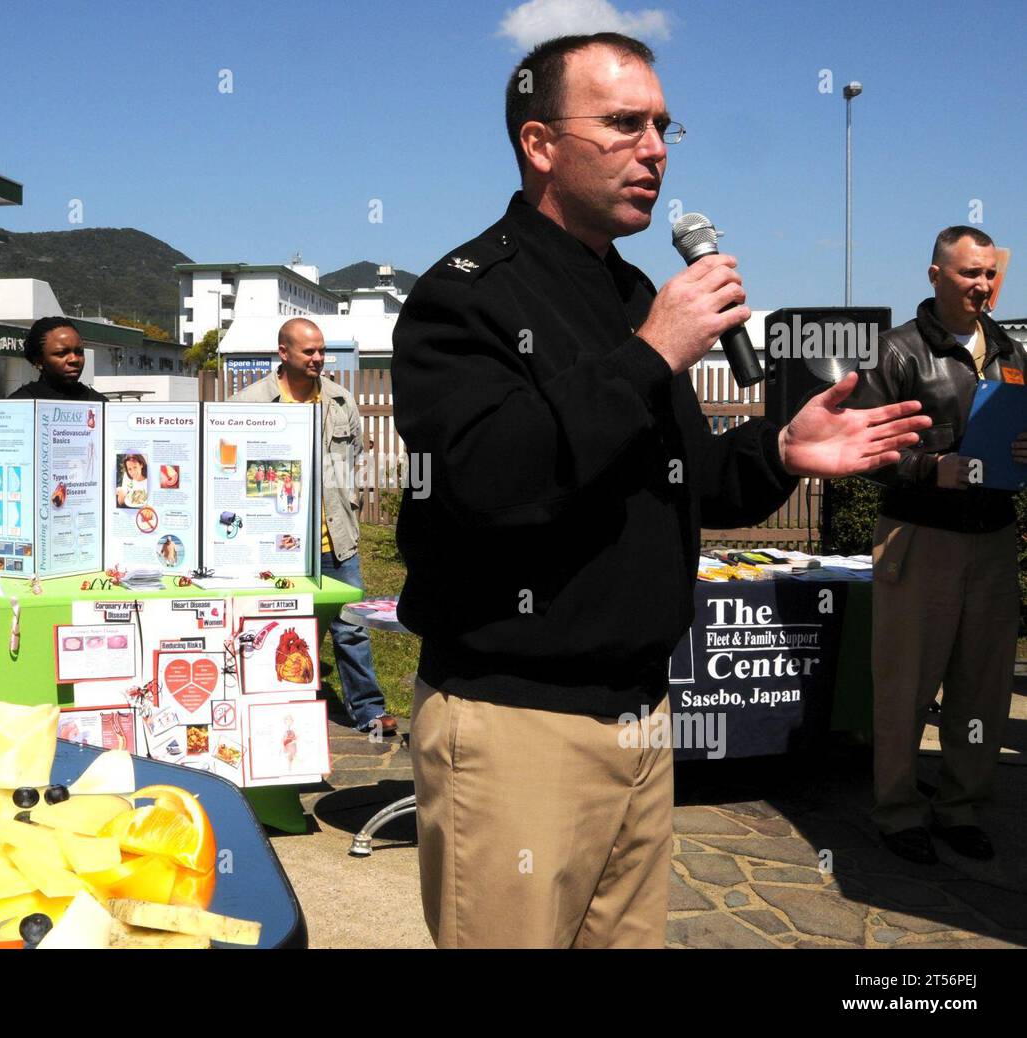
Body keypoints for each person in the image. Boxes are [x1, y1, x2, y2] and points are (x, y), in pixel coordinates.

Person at [391, 32, 930, 949]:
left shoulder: (631, 289)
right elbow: (490, 479)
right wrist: (651, 351)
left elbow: (687, 474)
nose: (656, 149)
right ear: (539, 143)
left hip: (646, 721)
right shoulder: (466, 297)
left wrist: (782, 452)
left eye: (663, 125)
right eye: (623, 123)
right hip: (518, 727)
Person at [849, 226, 1027, 864]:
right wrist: (929, 466)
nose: (981, 285)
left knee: (982, 684)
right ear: (934, 276)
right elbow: (865, 450)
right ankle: (898, 812)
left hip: (993, 537)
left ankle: (958, 806)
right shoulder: (895, 352)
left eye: (988, 274)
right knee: (906, 683)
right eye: (967, 274)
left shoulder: (1011, 348)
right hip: (920, 538)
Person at [233, 318, 398, 736]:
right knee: (275, 627)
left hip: (336, 538)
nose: (319, 358)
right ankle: (273, 712)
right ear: (283, 353)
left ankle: (368, 710)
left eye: (322, 350)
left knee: (352, 628)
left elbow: (357, 458)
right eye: (309, 351)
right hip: (277, 547)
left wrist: (352, 502)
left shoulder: (341, 400)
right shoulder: (249, 404)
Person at [8, 317, 108, 402]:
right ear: (38, 361)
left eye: (79, 352)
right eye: (61, 353)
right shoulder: (19, 405)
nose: (74, 359)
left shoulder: (100, 404)